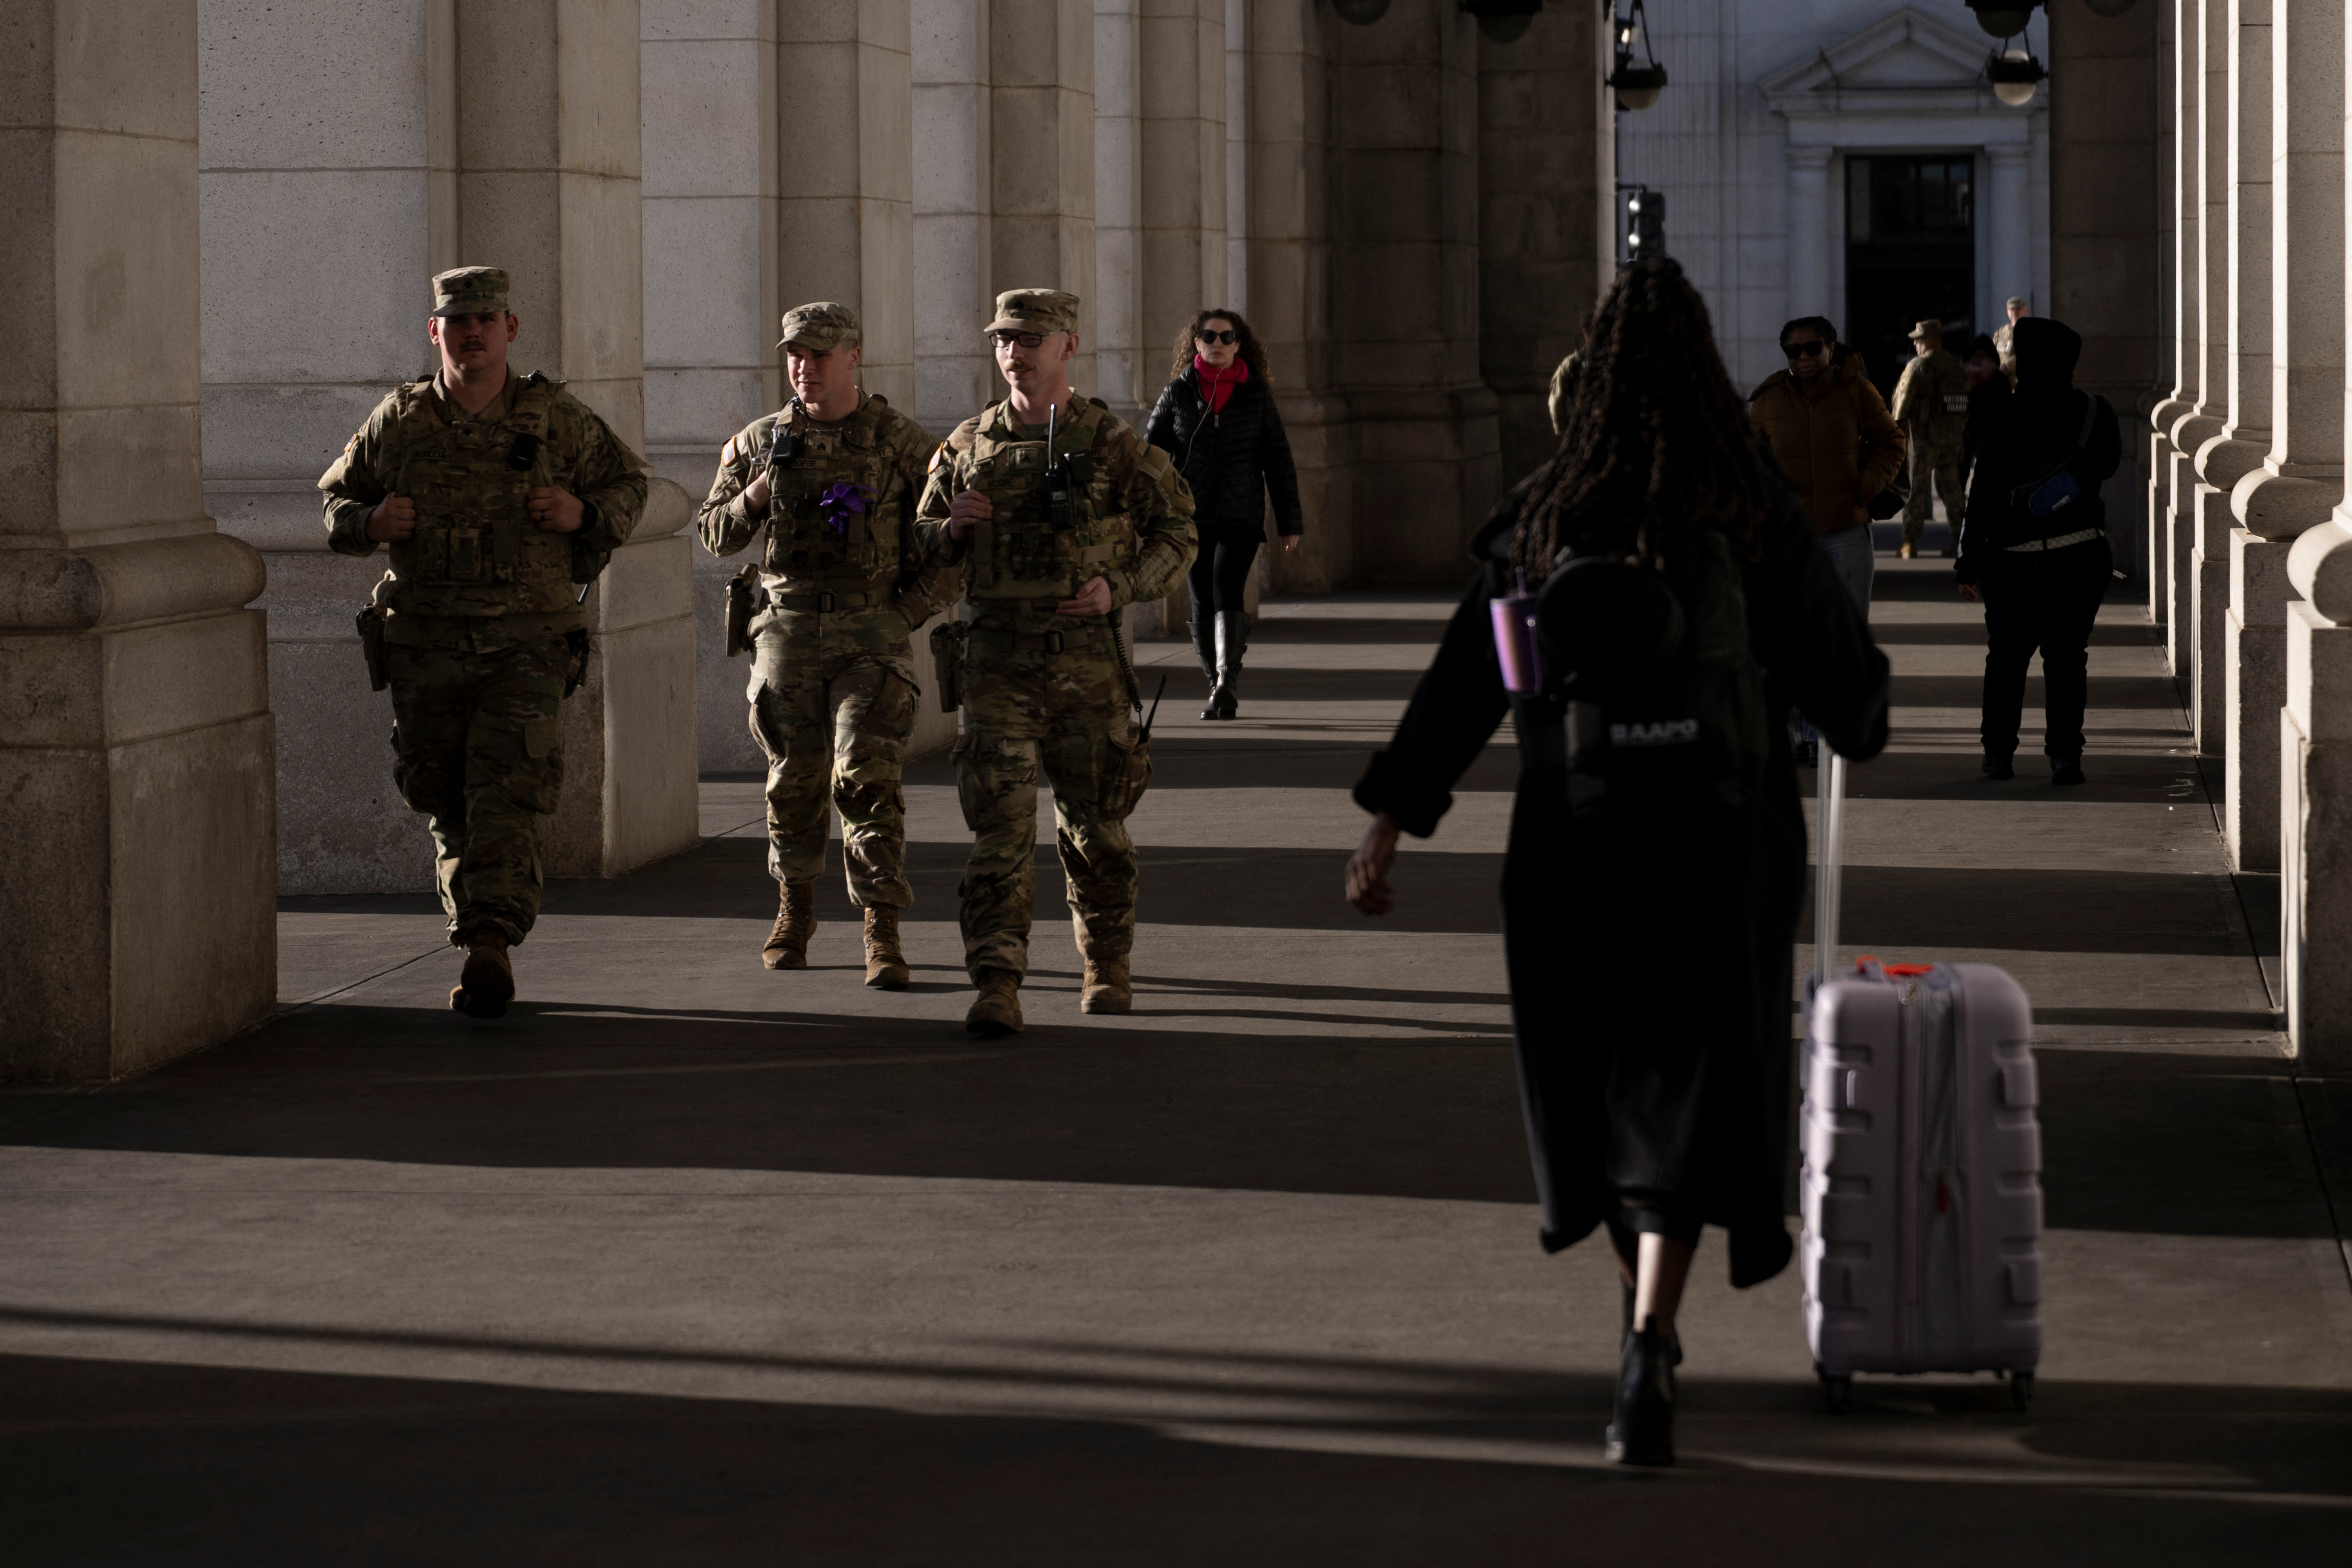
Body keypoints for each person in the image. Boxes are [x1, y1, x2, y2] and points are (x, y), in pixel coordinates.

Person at [1345, 258, 1888, 1468]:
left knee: (1594, 1077)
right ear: (1702, 369)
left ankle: (1633, 1314)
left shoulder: (1547, 512)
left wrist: (1392, 815)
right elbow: (1841, 680)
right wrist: (1854, 718)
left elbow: (1466, 680)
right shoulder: (1743, 502)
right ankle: (1652, 1328)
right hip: (1720, 831)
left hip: (1573, 833)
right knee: (1689, 1077)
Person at [319, 266, 647, 1019]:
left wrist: (580, 514)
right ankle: (476, 930)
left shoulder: (556, 419)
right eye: (457, 321)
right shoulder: (398, 423)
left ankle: (489, 940)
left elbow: (630, 489)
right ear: (435, 331)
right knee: (444, 798)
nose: (472, 332)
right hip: (425, 646)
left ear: (510, 329)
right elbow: (335, 503)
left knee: (506, 791)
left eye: (486, 319)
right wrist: (370, 525)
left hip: (525, 645)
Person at [919, 289, 1198, 1035]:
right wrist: (950, 528)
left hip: (1087, 668)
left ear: (1067, 346)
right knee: (999, 834)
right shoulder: (969, 443)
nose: (1016, 351)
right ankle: (997, 981)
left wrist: (1125, 587)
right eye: (1005, 339)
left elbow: (1178, 529)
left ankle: (1106, 963)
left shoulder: (1111, 442)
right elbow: (917, 540)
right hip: (998, 666)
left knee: (1096, 827)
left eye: (1031, 338)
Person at [696, 303, 957, 984]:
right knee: (795, 779)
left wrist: (911, 611)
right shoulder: (761, 440)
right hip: (788, 629)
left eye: (818, 354)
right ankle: (796, 909)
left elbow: (953, 541)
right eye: (794, 355)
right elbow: (714, 534)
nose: (804, 368)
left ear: (854, 356)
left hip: (873, 629)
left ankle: (882, 923)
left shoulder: (899, 442)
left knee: (866, 773)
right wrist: (755, 495)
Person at [1956, 316, 2120, 786]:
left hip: (2011, 559)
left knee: (2006, 659)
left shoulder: (2002, 415)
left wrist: (1968, 560)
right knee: (2068, 658)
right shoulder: (2095, 411)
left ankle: (1998, 755)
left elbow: (1981, 494)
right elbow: (2108, 465)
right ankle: (2065, 757)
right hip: (2079, 556)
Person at [1144, 309, 1302, 720]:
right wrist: (1147, 513)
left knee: (1226, 590)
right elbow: (1151, 455)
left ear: (1238, 344)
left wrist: (1290, 523)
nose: (1218, 344)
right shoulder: (1177, 393)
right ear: (1196, 342)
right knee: (1200, 600)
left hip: (1241, 515)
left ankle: (1226, 684)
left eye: (1227, 337)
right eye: (1209, 336)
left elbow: (1278, 459)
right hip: (1190, 517)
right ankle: (1215, 681)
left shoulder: (1257, 395)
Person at [1747, 316, 1904, 613]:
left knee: (1850, 629)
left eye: (1812, 347)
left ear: (1830, 350)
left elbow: (1891, 443)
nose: (1803, 356)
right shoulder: (1769, 400)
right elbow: (1749, 460)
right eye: (1794, 351)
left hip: (1847, 531)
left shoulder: (1858, 391)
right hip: (1792, 536)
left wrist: (1865, 488)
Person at [1890, 319, 1969, 560]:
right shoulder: (1956, 365)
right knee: (1953, 492)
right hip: (1950, 440)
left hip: (1923, 440)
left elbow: (1902, 404)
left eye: (1919, 339)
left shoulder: (1918, 366)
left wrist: (1895, 434)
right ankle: (1959, 540)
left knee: (1915, 491)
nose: (1915, 344)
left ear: (1931, 340)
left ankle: (1909, 542)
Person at [1993, 296, 2029, 383]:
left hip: (2020, 383)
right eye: (2012, 310)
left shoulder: (2030, 331)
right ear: (2008, 312)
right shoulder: (2002, 332)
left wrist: (2006, 367)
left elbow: (2025, 354)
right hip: (2002, 382)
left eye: (2018, 309)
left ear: (2025, 311)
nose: (2015, 313)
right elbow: (1991, 351)